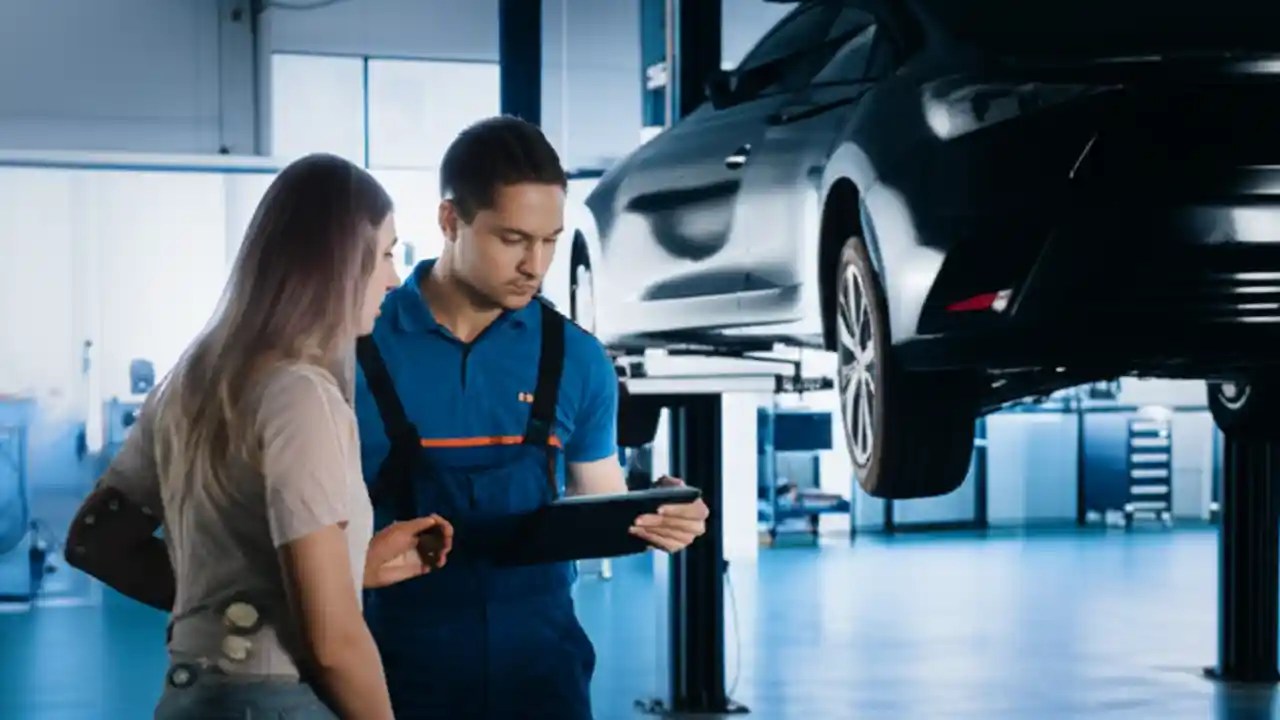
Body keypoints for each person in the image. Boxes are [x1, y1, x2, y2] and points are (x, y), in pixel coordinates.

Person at [64, 153, 455, 720]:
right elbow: (334, 645)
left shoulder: (191, 385)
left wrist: (345, 573)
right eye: (387, 254)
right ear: (340, 263)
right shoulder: (302, 396)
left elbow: (95, 541)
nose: (394, 279)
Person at [355, 115, 711, 720]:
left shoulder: (577, 359)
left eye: (550, 241)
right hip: (392, 678)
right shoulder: (359, 347)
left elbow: (600, 501)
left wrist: (657, 514)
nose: (536, 264)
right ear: (450, 220)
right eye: (513, 239)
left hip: (543, 676)